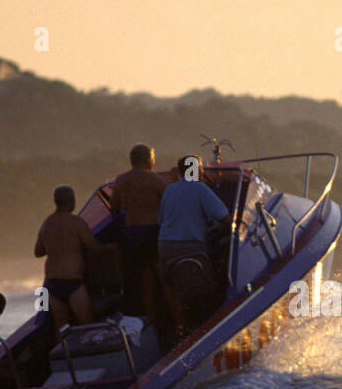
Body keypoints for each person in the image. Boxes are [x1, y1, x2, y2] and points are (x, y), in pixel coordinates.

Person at [157, 155, 230, 340]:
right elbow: (225, 217)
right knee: (210, 287)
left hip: (164, 245)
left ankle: (181, 326)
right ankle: (211, 327)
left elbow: (162, 220)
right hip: (190, 246)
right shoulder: (200, 188)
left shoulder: (169, 190)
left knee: (171, 284)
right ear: (196, 170)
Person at [34, 184, 109, 331]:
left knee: (61, 328)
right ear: (71, 201)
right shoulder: (76, 222)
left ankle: (63, 352)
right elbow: (94, 249)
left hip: (52, 283)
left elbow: (38, 252)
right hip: (72, 282)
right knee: (88, 324)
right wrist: (109, 247)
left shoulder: (47, 223)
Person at [109, 144, 167, 317]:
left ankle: (150, 322)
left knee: (144, 282)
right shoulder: (153, 179)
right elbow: (170, 200)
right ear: (147, 160)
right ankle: (177, 320)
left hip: (132, 235)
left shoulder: (121, 180)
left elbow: (114, 207)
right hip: (153, 233)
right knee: (163, 278)